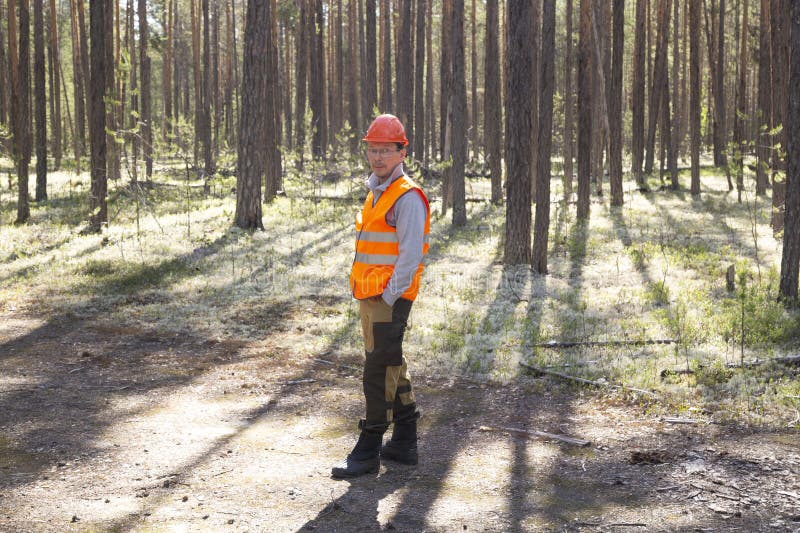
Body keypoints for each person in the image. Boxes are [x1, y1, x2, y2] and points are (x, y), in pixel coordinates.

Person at [332, 114, 431, 478]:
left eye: (386, 150)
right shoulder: (378, 191)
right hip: (370, 296)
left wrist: (389, 297)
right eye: (373, 149)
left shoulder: (407, 197)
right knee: (391, 364)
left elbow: (410, 257)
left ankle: (369, 447)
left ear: (402, 152)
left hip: (389, 298)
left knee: (377, 370)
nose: (378, 157)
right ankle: (405, 441)